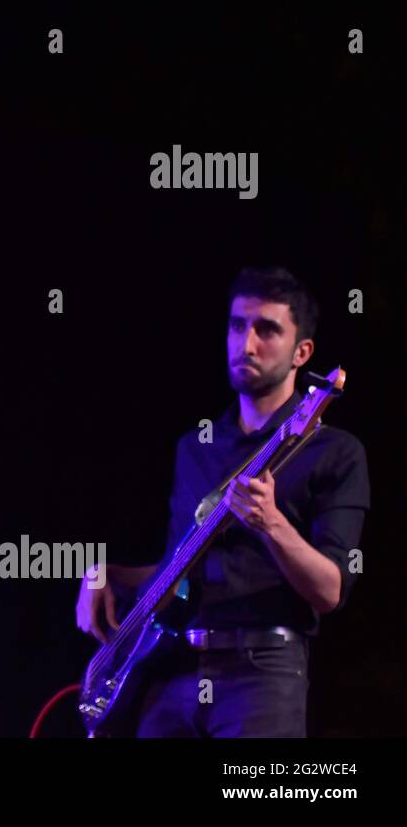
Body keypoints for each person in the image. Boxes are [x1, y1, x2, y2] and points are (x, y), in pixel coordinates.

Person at [75, 267, 369, 737]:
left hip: (264, 673)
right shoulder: (196, 447)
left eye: (267, 329)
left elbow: (331, 589)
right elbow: (176, 571)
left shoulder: (334, 451)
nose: (246, 344)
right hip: (174, 669)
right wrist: (106, 573)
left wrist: (272, 523)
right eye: (237, 326)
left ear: (303, 352)